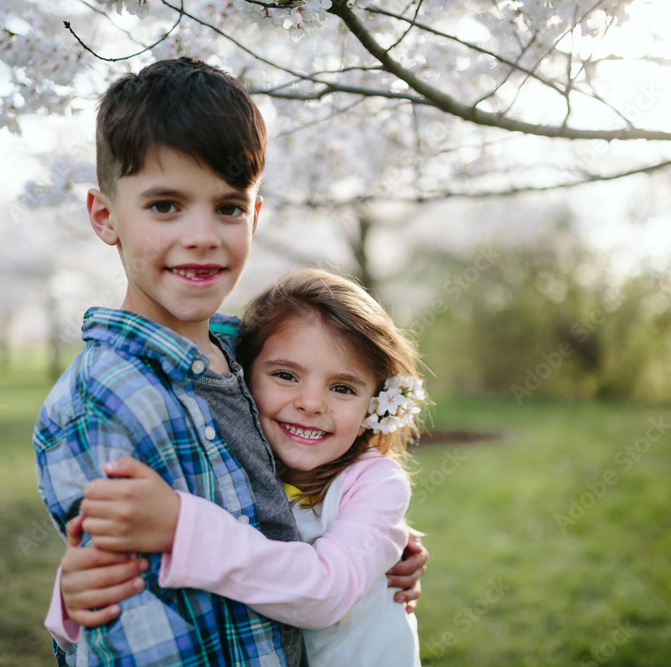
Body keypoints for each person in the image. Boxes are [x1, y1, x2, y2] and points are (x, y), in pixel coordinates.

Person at [34, 57, 426, 667]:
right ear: (105, 216)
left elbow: (276, 511)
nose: (202, 235)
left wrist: (380, 546)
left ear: (256, 215)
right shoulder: (106, 397)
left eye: (228, 207)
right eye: (165, 205)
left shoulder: (242, 359)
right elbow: (118, 606)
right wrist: (67, 603)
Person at [58, 269, 426, 666]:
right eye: (285, 375)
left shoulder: (375, 482)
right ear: (243, 378)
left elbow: (324, 594)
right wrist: (69, 601)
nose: (311, 403)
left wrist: (183, 528)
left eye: (342, 388)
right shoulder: (226, 466)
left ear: (374, 404)